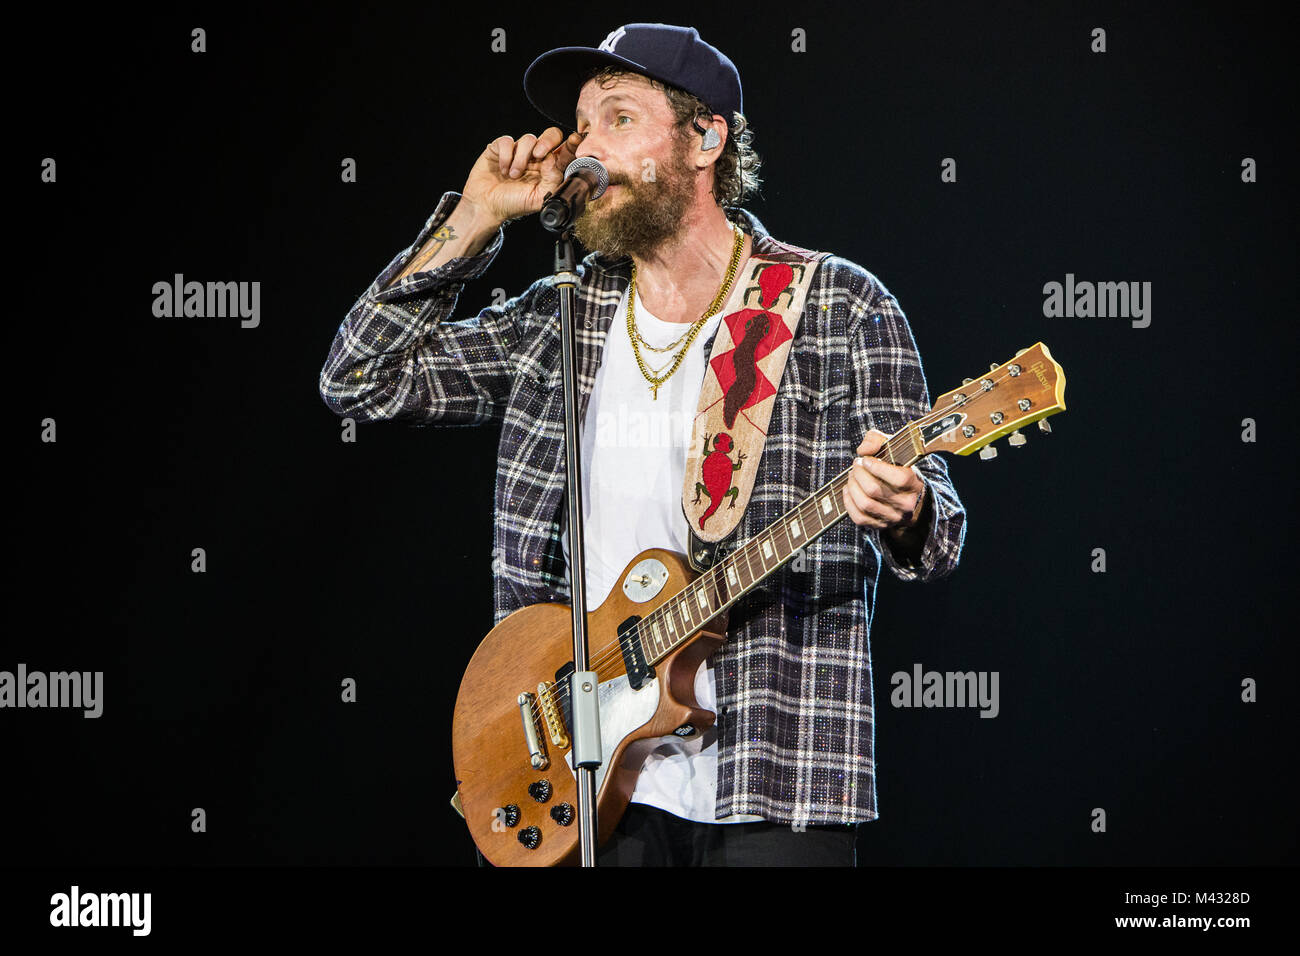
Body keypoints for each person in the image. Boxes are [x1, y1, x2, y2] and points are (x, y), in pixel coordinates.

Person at [319, 22, 966, 866]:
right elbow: (360, 378)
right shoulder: (565, 309)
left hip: (776, 765)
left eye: (618, 118)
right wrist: (472, 222)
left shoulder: (839, 306)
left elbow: (940, 534)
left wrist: (907, 507)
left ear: (705, 141)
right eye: (583, 124)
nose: (585, 145)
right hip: (574, 772)